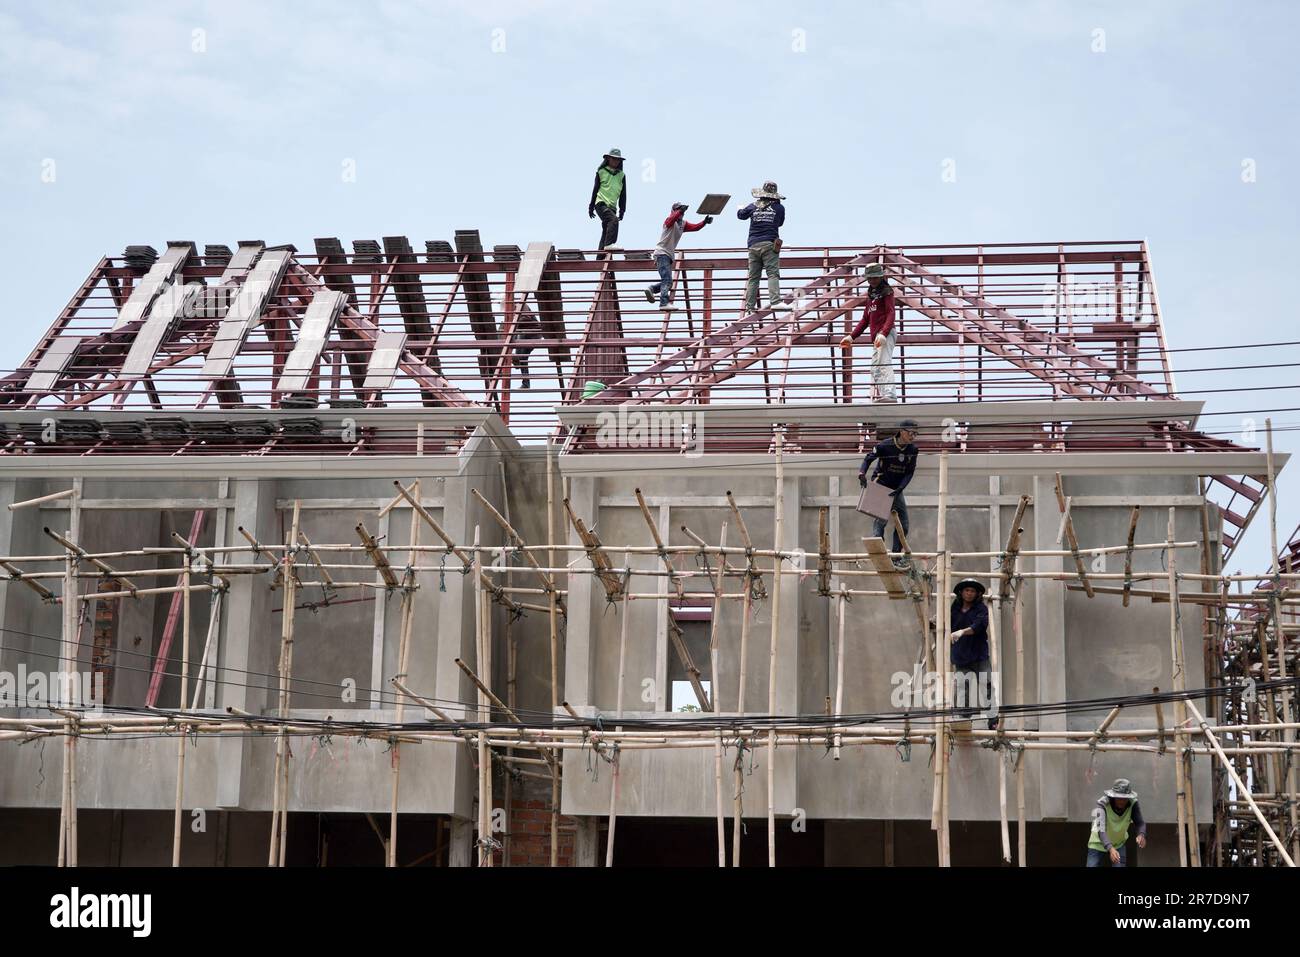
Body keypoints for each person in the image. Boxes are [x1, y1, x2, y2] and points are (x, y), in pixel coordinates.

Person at [858, 420, 918, 567]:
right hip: (881, 484)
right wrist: (862, 473)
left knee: (904, 524)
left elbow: (909, 472)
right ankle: (879, 554)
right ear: (902, 432)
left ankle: (896, 556)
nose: (913, 437)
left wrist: (901, 488)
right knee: (881, 521)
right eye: (911, 433)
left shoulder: (913, 450)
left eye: (916, 434)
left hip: (896, 489)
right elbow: (868, 458)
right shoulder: (885, 446)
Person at [839, 262, 897, 401]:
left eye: (875, 278)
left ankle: (890, 394)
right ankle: (886, 396)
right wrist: (852, 337)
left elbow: (891, 313)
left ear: (880, 277)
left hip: (885, 333)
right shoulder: (871, 296)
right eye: (870, 278)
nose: (872, 280)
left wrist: (883, 333)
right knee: (875, 368)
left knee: (884, 362)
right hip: (878, 336)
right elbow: (865, 319)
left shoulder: (887, 292)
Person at [645, 203, 713, 310]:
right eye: (678, 210)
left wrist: (704, 222)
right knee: (667, 280)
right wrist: (680, 211)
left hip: (666, 255)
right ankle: (663, 303)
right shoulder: (669, 220)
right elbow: (671, 220)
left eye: (681, 211)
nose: (681, 213)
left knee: (667, 282)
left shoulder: (682, 224)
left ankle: (651, 289)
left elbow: (694, 227)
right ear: (673, 211)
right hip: (662, 253)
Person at [949, 577, 995, 727]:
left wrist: (962, 632)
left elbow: (980, 625)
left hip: (979, 655)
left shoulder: (980, 609)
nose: (969, 593)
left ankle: (993, 720)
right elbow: (946, 624)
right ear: (961, 592)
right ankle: (964, 719)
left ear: (977, 594)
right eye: (967, 590)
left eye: (972, 591)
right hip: (961, 657)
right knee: (963, 689)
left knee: (986, 685)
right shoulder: (954, 608)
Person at [736, 181, 786, 312]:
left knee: (753, 278)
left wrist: (740, 208)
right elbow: (779, 223)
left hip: (753, 245)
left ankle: (750, 307)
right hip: (769, 244)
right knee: (772, 274)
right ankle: (775, 301)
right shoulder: (779, 208)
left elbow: (741, 215)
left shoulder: (753, 206)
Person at [1087, 779, 1148, 867]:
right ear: (1113, 796)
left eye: (1125, 798)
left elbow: (1140, 823)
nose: (1122, 801)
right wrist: (1110, 848)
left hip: (1118, 843)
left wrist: (1141, 834)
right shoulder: (1102, 804)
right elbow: (1101, 831)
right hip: (1098, 842)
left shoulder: (1133, 803)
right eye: (1119, 798)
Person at [588, 148, 628, 251]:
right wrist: (591, 206)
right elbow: (595, 189)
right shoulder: (601, 172)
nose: (615, 161)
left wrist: (622, 210)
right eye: (613, 159)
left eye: (617, 159)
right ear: (608, 159)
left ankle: (600, 257)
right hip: (601, 203)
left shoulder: (621, 175)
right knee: (613, 220)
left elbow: (623, 194)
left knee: (606, 232)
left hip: (612, 206)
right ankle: (610, 244)